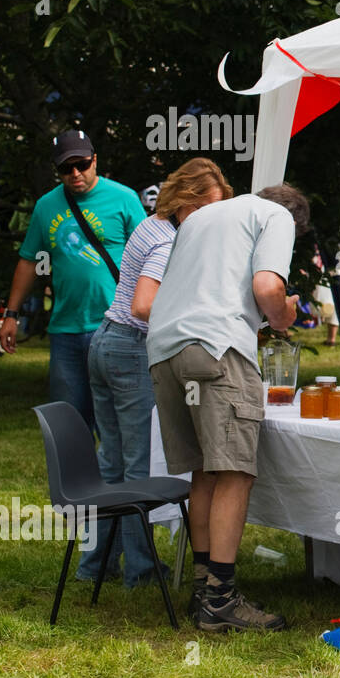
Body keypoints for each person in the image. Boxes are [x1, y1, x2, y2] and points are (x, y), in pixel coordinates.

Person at [147, 183, 310, 631]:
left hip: (164, 349)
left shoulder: (203, 215)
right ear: (292, 220)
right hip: (217, 347)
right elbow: (266, 285)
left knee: (205, 469)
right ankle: (221, 601)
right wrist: (283, 316)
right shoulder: (275, 218)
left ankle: (204, 589)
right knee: (236, 471)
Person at [82, 158, 232, 587]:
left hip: (105, 340)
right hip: (130, 348)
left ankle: (96, 565)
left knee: (110, 464)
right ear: (185, 201)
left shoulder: (151, 224)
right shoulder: (169, 242)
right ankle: (143, 571)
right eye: (203, 209)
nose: (208, 219)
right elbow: (144, 305)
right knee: (136, 469)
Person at [0, 130, 147, 429]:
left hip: (115, 327)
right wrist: (11, 314)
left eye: (82, 164)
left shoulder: (124, 198)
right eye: (66, 168)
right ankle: (79, 477)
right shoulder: (46, 205)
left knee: (118, 424)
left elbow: (150, 256)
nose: (75, 173)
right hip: (65, 331)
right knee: (69, 424)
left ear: (95, 160)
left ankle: (118, 478)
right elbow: (30, 260)